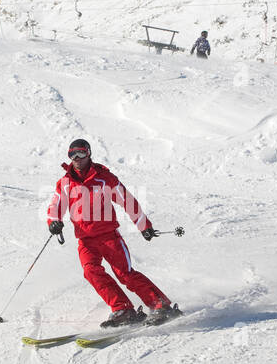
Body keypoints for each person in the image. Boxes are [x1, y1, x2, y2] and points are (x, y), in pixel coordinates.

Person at [46, 138, 180, 327]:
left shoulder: (104, 178)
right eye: (72, 155)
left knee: (125, 274)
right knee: (91, 272)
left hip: (109, 236)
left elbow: (127, 200)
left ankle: (161, 306)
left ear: (89, 153)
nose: (76, 158)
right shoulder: (65, 182)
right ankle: (122, 308)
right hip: (85, 240)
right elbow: (56, 205)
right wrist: (54, 222)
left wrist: (144, 226)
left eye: (80, 153)